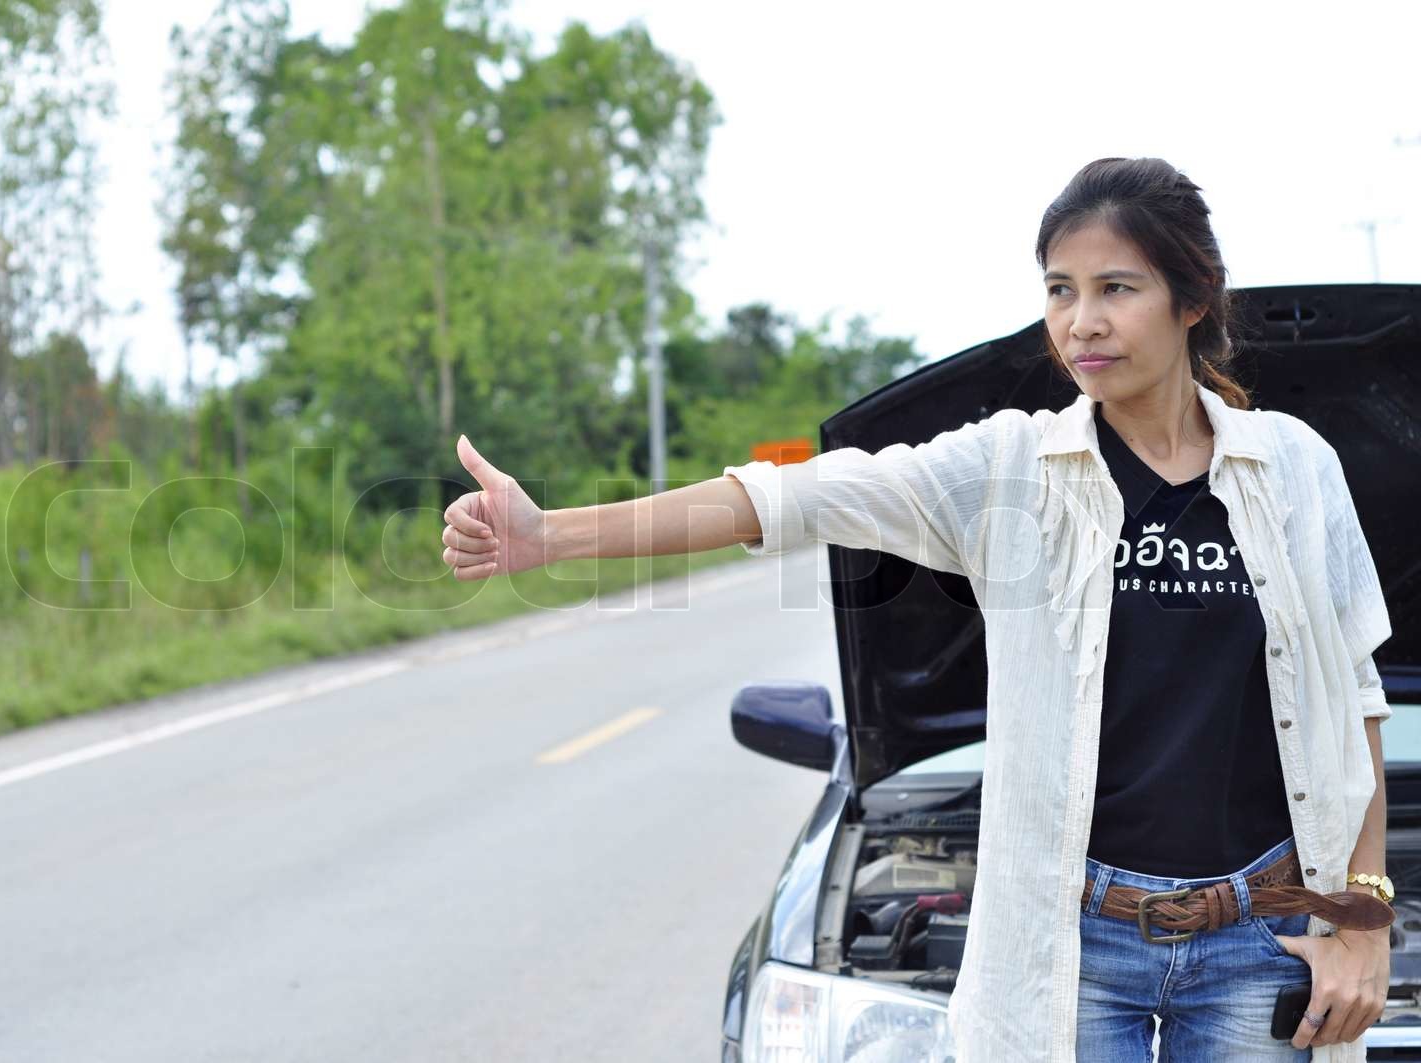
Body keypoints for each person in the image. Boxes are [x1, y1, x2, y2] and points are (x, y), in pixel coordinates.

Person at [439, 157, 1396, 1061]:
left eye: (1117, 288)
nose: (1081, 322)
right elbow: (791, 497)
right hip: (1070, 950)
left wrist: (1362, 917)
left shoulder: (1294, 467)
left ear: (1192, 301)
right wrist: (555, 534)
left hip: (1258, 937)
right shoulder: (1011, 469)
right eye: (1060, 289)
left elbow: (1354, 700)